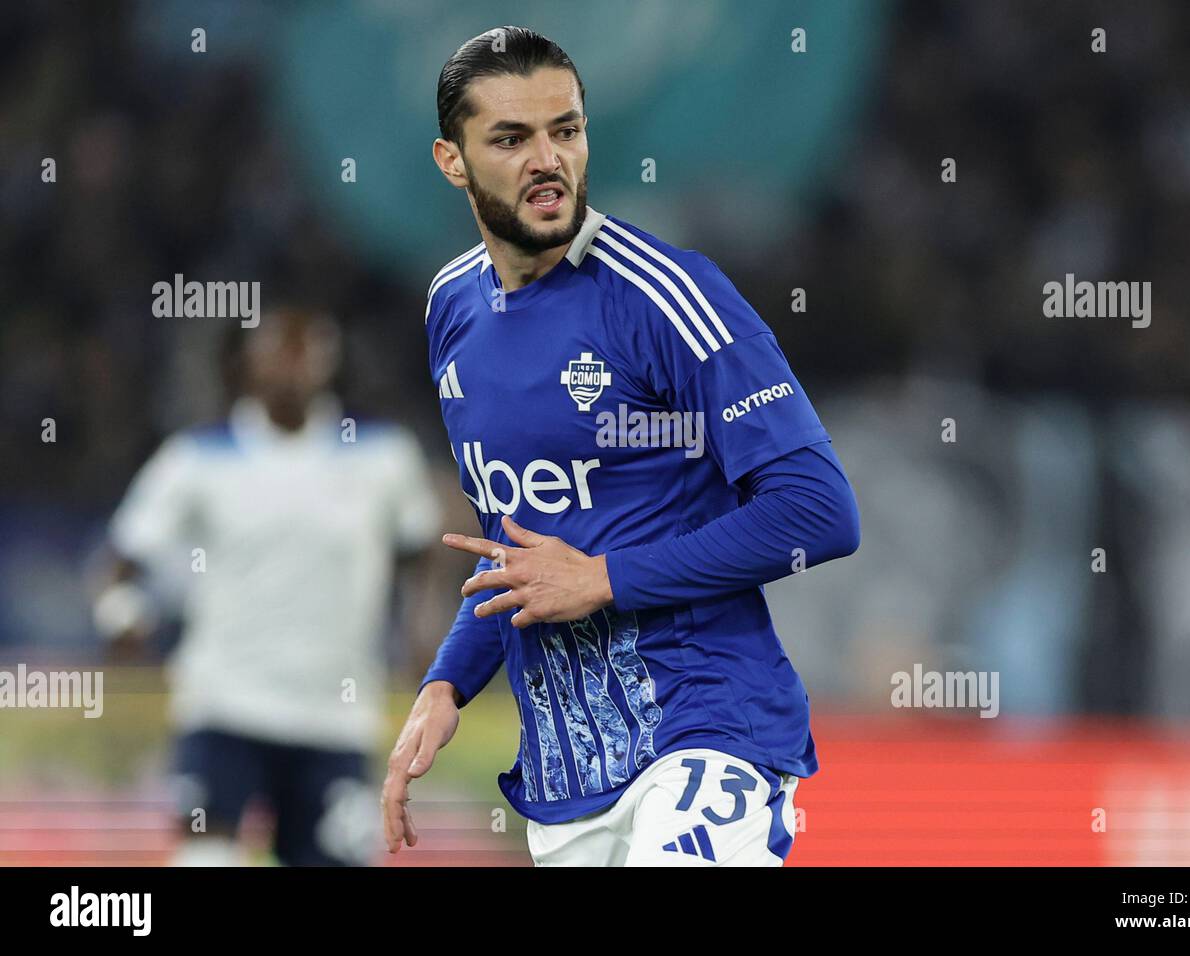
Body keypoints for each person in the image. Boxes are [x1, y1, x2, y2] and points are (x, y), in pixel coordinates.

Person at [383, 26, 860, 867]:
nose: (547, 159)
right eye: (511, 137)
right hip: (570, 779)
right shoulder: (451, 309)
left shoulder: (667, 293)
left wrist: (605, 580)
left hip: (708, 731)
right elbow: (519, 545)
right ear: (451, 161)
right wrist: (446, 683)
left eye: (565, 130)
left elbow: (818, 510)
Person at [97, 308, 441, 865]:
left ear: (329, 362)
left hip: (335, 713)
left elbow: (421, 546)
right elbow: (124, 554)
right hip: (224, 702)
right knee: (206, 858)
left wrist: (421, 625)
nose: (291, 366)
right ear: (247, 363)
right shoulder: (198, 458)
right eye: (277, 350)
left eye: (305, 351)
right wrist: (121, 613)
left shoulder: (382, 457)